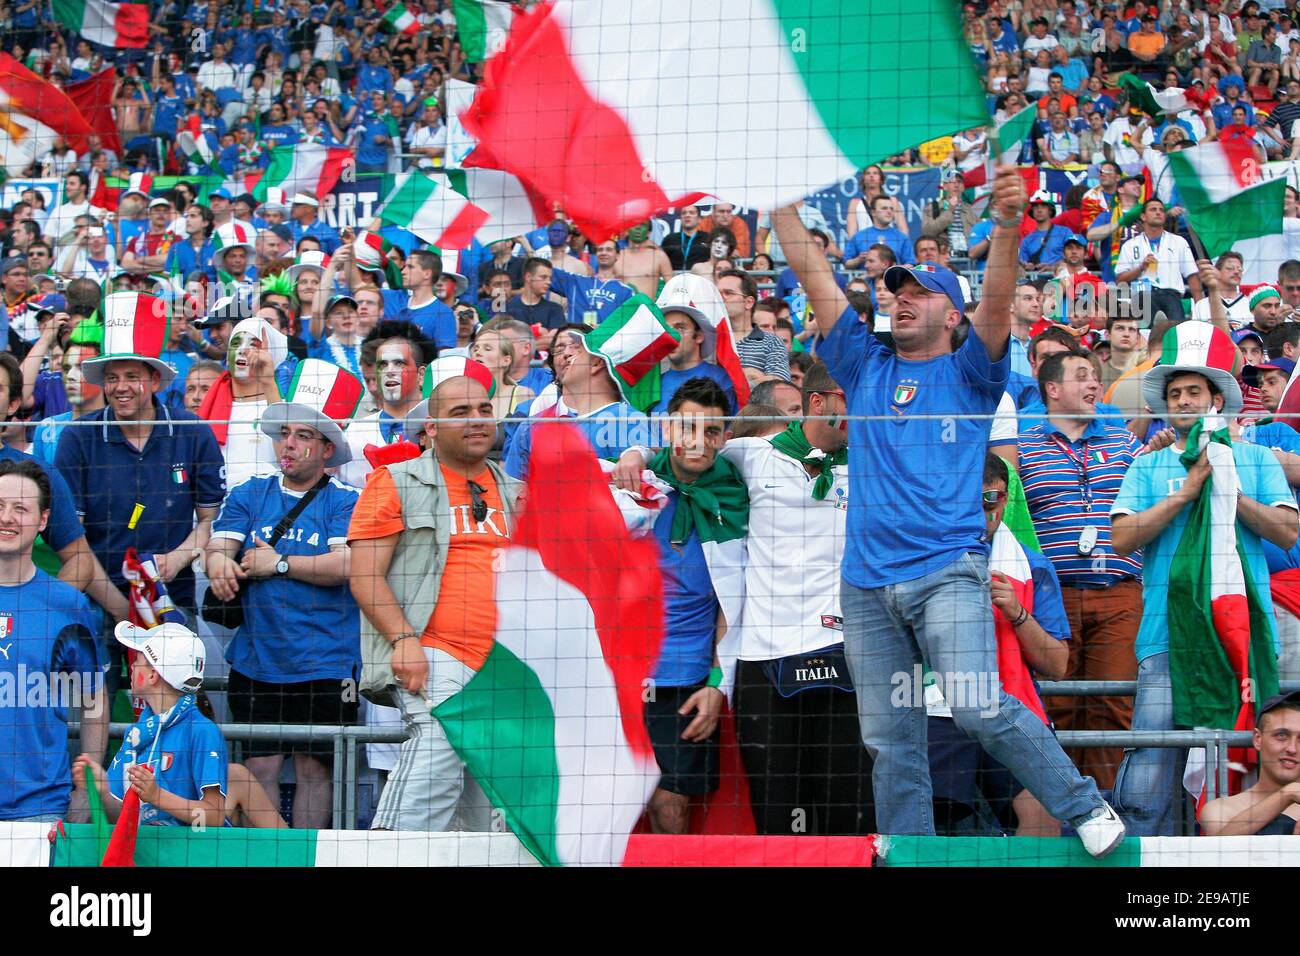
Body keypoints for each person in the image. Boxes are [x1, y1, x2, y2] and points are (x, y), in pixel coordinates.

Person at [769, 164, 1126, 857]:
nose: (900, 300)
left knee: (978, 706)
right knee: (889, 739)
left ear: (952, 314)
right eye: (896, 290)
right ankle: (914, 852)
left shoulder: (970, 371)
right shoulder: (865, 366)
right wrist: (776, 197)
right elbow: (814, 275)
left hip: (947, 571)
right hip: (866, 585)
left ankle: (1084, 804)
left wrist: (1004, 225)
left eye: (919, 293)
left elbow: (997, 305)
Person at [1111, 322, 1297, 836]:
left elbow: (1287, 531)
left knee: (1241, 758)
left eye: (1195, 391)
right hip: (1166, 635)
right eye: (1174, 394)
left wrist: (1228, 491)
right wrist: (1187, 492)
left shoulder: (1257, 458)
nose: (1184, 401)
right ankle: (1142, 857)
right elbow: (1122, 539)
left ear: (1216, 399)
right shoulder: (1147, 466)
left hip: (1242, 632)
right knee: (1153, 759)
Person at [348, 360, 520, 831]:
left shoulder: (516, 492)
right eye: (461, 410)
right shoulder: (396, 482)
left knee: (490, 804)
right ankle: (391, 859)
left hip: (502, 667)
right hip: (433, 652)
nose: (477, 419)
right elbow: (365, 576)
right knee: (438, 749)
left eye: (485, 408)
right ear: (432, 426)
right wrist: (404, 641)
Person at [206, 360, 363, 829]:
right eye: (284, 434)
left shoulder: (346, 500)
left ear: (327, 449)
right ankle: (269, 860)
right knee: (259, 770)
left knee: (317, 769)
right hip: (257, 659)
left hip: (328, 661)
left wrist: (277, 564)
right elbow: (219, 546)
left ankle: (305, 858)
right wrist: (219, 567)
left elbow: (348, 566)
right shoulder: (249, 493)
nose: (288, 444)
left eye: (302, 435)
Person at [54, 295, 226, 633]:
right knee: (95, 686)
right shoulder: (78, 438)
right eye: (112, 377)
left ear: (155, 380)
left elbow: (209, 519)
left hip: (172, 599)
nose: (121, 388)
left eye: (132, 376)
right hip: (96, 604)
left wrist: (179, 558)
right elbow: (72, 541)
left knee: (172, 686)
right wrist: (121, 610)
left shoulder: (192, 432)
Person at [625, 378, 747, 832]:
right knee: (601, 802)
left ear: (725, 438)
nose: (698, 440)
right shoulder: (633, 485)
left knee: (671, 801)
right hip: (613, 674)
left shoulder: (739, 496)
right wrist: (632, 456)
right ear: (668, 428)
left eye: (711, 431)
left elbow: (731, 606)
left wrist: (718, 681)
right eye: (687, 427)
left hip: (685, 676)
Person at [926, 453, 1070, 837]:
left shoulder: (1033, 565)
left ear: (1006, 499)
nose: (984, 512)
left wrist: (1018, 613)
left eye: (992, 500)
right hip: (934, 707)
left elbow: (1057, 666)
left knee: (1044, 817)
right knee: (929, 826)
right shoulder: (918, 560)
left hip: (1011, 705)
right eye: (972, 501)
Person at [1019, 350, 1145, 790]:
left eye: (1095, 376)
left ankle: (1112, 806)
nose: (1094, 384)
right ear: (1052, 390)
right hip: (1055, 596)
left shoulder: (1126, 444)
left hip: (1120, 591)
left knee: (1115, 703)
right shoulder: (1022, 449)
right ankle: (1064, 809)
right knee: (1058, 703)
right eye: (1082, 376)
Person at [0, 459, 107, 823]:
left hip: (39, 810)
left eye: (20, 508)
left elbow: (93, 697)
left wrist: (85, 788)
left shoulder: (66, 604)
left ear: (43, 521)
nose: (8, 518)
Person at [73, 622, 226, 828]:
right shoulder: (137, 733)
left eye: (137, 660)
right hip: (145, 856)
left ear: (153, 675)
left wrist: (158, 797)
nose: (132, 666)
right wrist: (102, 791)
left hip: (188, 858)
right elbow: (122, 820)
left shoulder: (201, 731)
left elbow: (214, 816)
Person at [504, 306, 669, 480]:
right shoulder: (530, 426)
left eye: (577, 348)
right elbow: (513, 494)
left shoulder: (629, 421)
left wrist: (642, 451)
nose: (566, 354)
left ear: (597, 362)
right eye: (559, 349)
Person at [197, 313, 288, 489]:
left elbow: (286, 462)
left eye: (253, 345)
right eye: (236, 343)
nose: (243, 350)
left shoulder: (280, 406)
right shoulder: (210, 403)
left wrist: (268, 381)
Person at [338, 321, 433, 488]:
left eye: (399, 363)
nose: (389, 371)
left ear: (421, 375)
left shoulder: (437, 427)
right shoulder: (356, 430)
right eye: (383, 365)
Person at [1200, 691, 1300, 835]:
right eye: (1281, 735)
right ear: (1258, 739)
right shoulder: (1221, 809)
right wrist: (1287, 794)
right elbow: (1221, 847)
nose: (1292, 748)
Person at [651, 273, 740, 415]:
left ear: (699, 336)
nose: (672, 335)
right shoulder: (653, 384)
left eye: (680, 328)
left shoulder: (722, 379)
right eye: (667, 329)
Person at [1115, 198, 1201, 323]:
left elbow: (1192, 275)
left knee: (1174, 336)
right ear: (1143, 216)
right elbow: (1120, 279)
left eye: (1161, 210)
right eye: (1153, 209)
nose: (1158, 212)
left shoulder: (1179, 242)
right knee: (1146, 337)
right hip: (1143, 296)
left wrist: (1199, 306)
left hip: (1172, 295)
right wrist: (1141, 267)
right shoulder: (1130, 245)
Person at [717, 270, 790, 383]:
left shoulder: (771, 342)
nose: (719, 299)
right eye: (717, 294)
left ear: (748, 302)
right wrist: (750, 375)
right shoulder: (709, 338)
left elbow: (779, 385)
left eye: (728, 293)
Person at [378, 248, 457, 350]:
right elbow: (358, 286)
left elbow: (443, 358)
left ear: (427, 274)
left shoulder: (443, 313)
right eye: (405, 266)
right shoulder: (392, 298)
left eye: (410, 267)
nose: (403, 271)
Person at [548, 238, 635, 327]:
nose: (603, 253)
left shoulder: (626, 291)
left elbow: (630, 323)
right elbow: (544, 270)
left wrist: (603, 328)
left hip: (605, 339)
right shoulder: (576, 282)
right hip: (575, 338)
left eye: (609, 250)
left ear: (618, 255)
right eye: (600, 250)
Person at [470, 327, 535, 421]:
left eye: (487, 349)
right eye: (475, 349)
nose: (478, 353)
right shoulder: (461, 395)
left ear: (506, 360)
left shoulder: (522, 394)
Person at [844, 195, 915, 269]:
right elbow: (846, 263)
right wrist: (858, 260)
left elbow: (911, 263)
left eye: (891, 209)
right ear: (873, 212)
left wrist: (893, 271)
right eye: (884, 208)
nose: (889, 211)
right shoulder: (859, 236)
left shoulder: (901, 237)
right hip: (866, 280)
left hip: (893, 280)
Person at [615, 222, 673, 298]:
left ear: (649, 233)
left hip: (646, 308)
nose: (638, 228)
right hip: (620, 308)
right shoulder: (617, 256)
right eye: (634, 224)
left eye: (642, 225)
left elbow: (672, 287)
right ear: (627, 231)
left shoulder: (658, 256)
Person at [506, 257, 565, 330]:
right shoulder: (508, 308)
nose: (549, 282)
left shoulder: (555, 309)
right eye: (543, 277)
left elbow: (556, 338)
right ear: (528, 277)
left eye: (550, 278)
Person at [660, 204, 711, 272]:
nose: (687, 215)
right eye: (684, 213)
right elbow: (661, 261)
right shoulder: (670, 239)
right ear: (681, 218)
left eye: (691, 213)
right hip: (675, 279)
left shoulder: (707, 238)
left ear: (699, 219)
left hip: (699, 278)